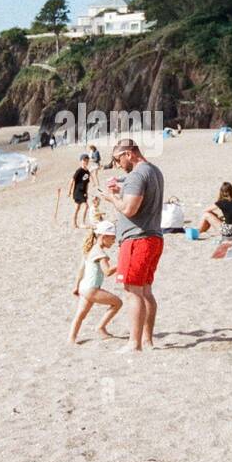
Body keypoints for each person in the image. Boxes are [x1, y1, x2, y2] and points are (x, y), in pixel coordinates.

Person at [96, 138, 163, 352]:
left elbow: (129, 209)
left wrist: (111, 198)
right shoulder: (154, 171)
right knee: (145, 291)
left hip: (137, 239)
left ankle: (134, 343)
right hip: (153, 237)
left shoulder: (136, 175)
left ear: (129, 154)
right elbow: (140, 194)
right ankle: (147, 340)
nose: (117, 165)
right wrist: (122, 187)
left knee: (133, 291)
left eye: (118, 160)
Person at [68, 220, 122, 344]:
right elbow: (107, 272)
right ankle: (100, 327)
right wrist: (121, 264)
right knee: (118, 303)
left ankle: (71, 339)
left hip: (84, 287)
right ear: (104, 237)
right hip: (92, 289)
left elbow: (81, 270)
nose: (114, 242)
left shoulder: (89, 250)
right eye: (112, 238)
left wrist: (76, 287)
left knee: (80, 315)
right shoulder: (100, 253)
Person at [69, 154, 92, 228]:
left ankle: (78, 223)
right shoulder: (79, 171)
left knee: (80, 207)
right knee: (81, 207)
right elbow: (72, 180)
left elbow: (87, 183)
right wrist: (69, 191)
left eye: (87, 160)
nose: (85, 162)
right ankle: (78, 223)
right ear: (81, 161)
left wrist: (86, 192)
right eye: (84, 160)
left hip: (83, 192)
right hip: (78, 191)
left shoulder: (88, 172)